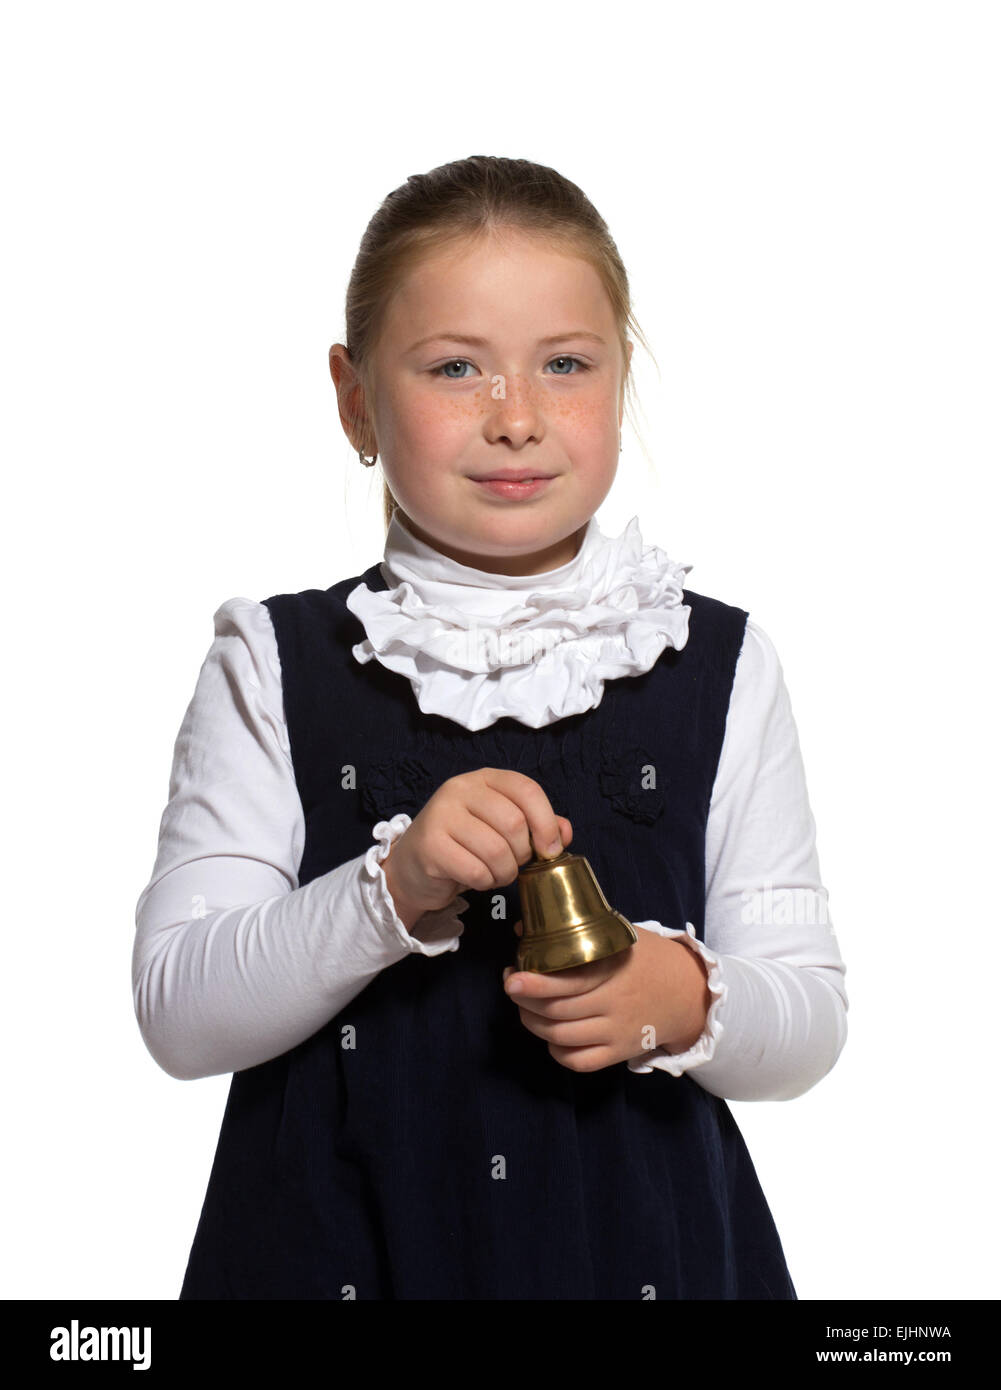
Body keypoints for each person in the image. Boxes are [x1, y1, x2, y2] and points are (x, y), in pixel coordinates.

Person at [133, 155, 848, 1300]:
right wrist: (389, 890)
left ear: (618, 380)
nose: (515, 417)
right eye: (455, 367)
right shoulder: (275, 661)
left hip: (644, 1257)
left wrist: (685, 997)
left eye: (564, 364)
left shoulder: (717, 663)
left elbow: (806, 1016)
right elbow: (179, 1009)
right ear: (355, 397)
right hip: (336, 1253)